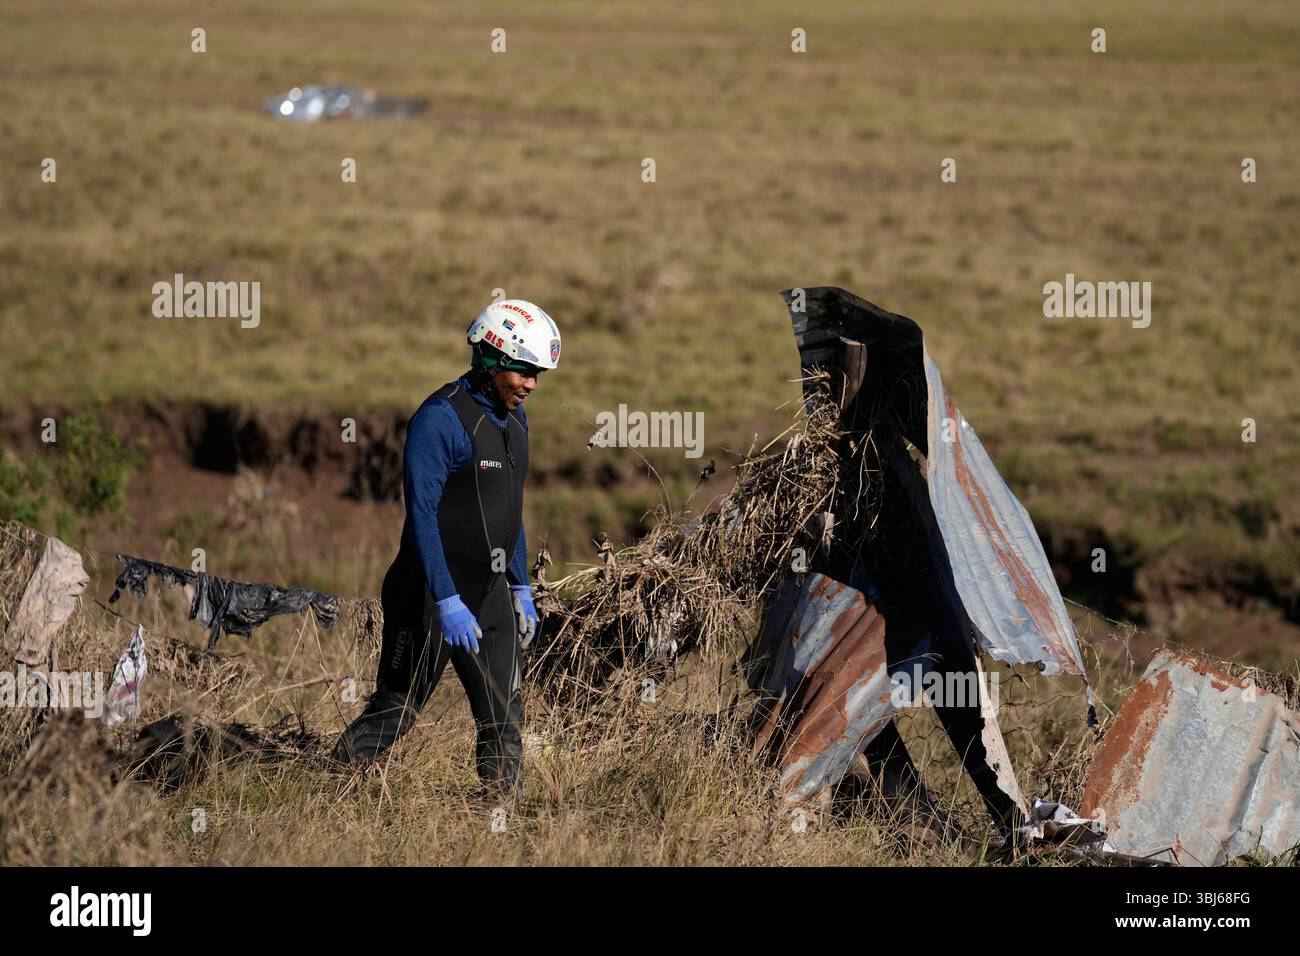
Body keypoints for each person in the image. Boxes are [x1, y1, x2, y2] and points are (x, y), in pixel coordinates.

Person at [331, 298, 561, 800]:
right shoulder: (439, 420)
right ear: (495, 357)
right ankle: (320, 793)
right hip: (430, 594)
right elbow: (423, 518)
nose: (532, 384)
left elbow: (508, 512)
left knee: (505, 717)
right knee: (396, 712)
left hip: (489, 589)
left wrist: (521, 584)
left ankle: (500, 826)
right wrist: (445, 599)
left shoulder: (515, 421)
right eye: (525, 371)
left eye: (538, 375)